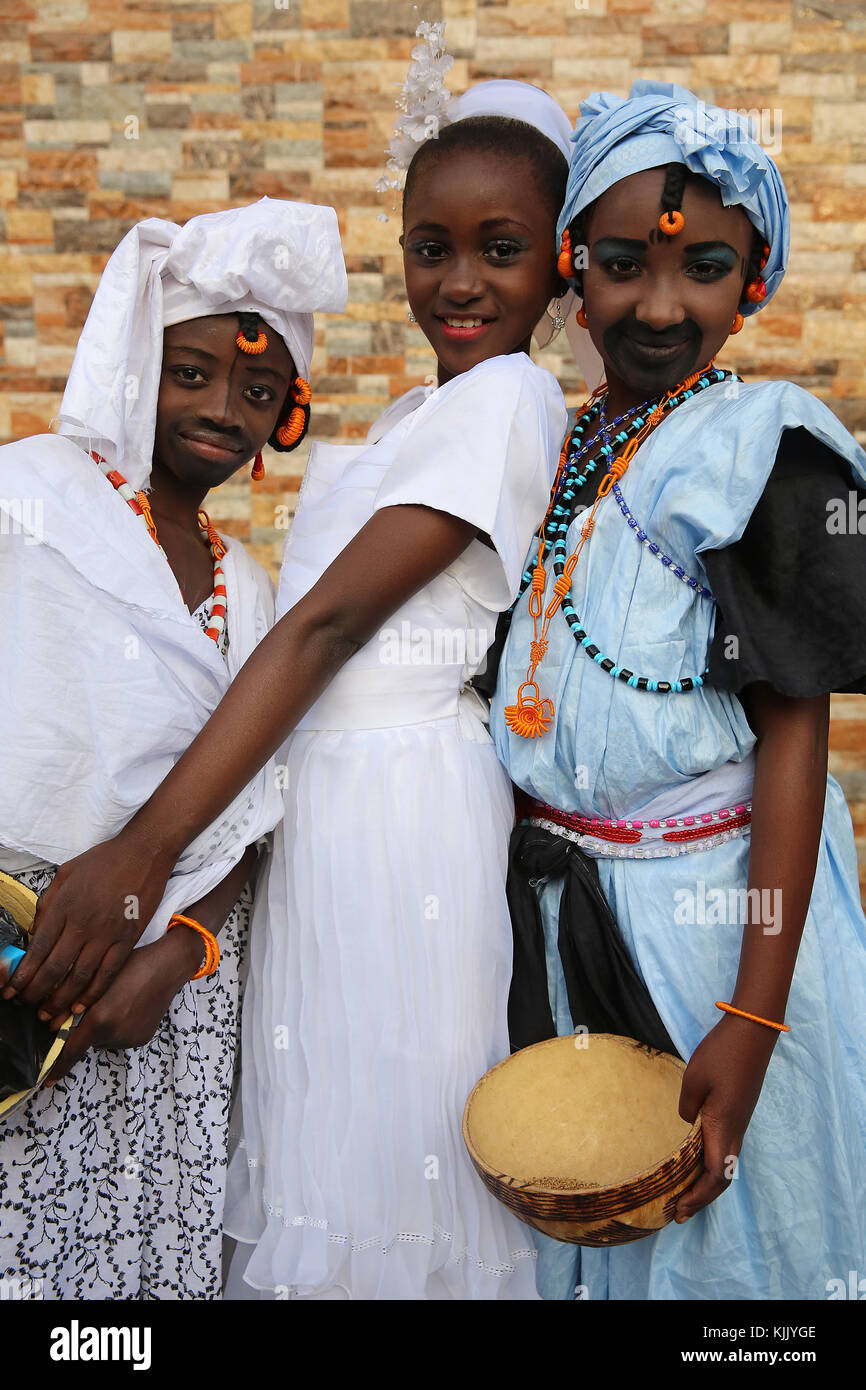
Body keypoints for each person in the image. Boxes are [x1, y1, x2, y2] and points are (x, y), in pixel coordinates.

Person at [4, 57, 576, 1296]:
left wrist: (143, 856)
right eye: (431, 246)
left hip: (394, 819)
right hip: (300, 817)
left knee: (381, 1150)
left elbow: (320, 634)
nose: (461, 280)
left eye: (502, 248)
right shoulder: (415, 421)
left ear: (558, 266)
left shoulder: (513, 402)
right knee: (302, 1142)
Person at [488, 81, 866, 1300]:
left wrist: (751, 1021)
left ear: (751, 282)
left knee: (730, 1253)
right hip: (563, 922)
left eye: (705, 267)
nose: (658, 305)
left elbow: (791, 743)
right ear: (571, 270)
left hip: (719, 935)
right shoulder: (554, 446)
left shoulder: (758, 447)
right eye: (618, 264)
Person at [0, 197, 347, 1299]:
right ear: (131, 366)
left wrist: (180, 949)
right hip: (23, 948)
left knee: (138, 1255)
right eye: (189, 373)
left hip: (165, 996)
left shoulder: (256, 593)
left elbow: (252, 805)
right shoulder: (31, 498)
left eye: (258, 392)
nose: (220, 409)